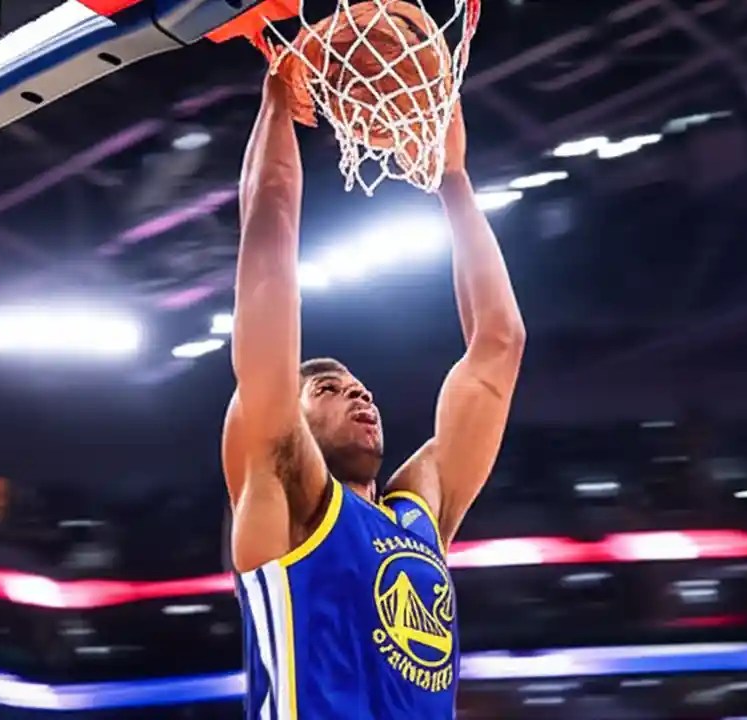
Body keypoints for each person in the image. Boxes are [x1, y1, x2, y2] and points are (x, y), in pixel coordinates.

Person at [222, 70, 525, 720]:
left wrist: (454, 181)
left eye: (361, 388)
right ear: (291, 414)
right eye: (329, 389)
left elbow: (499, 343)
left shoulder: (421, 515)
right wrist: (278, 89)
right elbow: (269, 239)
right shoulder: (286, 489)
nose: (359, 396)